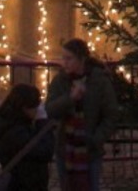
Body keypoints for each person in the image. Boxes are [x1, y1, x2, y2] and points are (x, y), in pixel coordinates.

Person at [45, 38, 118, 191]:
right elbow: (50, 109)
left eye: (69, 58)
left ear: (82, 59)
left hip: (90, 150)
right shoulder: (60, 80)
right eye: (63, 58)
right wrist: (70, 99)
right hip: (65, 149)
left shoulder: (99, 81)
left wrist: (96, 138)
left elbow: (110, 115)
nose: (64, 62)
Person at [0, 83, 53, 191]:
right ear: (25, 108)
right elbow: (45, 150)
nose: (37, 110)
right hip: (23, 184)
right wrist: (42, 122)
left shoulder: (8, 122)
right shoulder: (16, 132)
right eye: (35, 106)